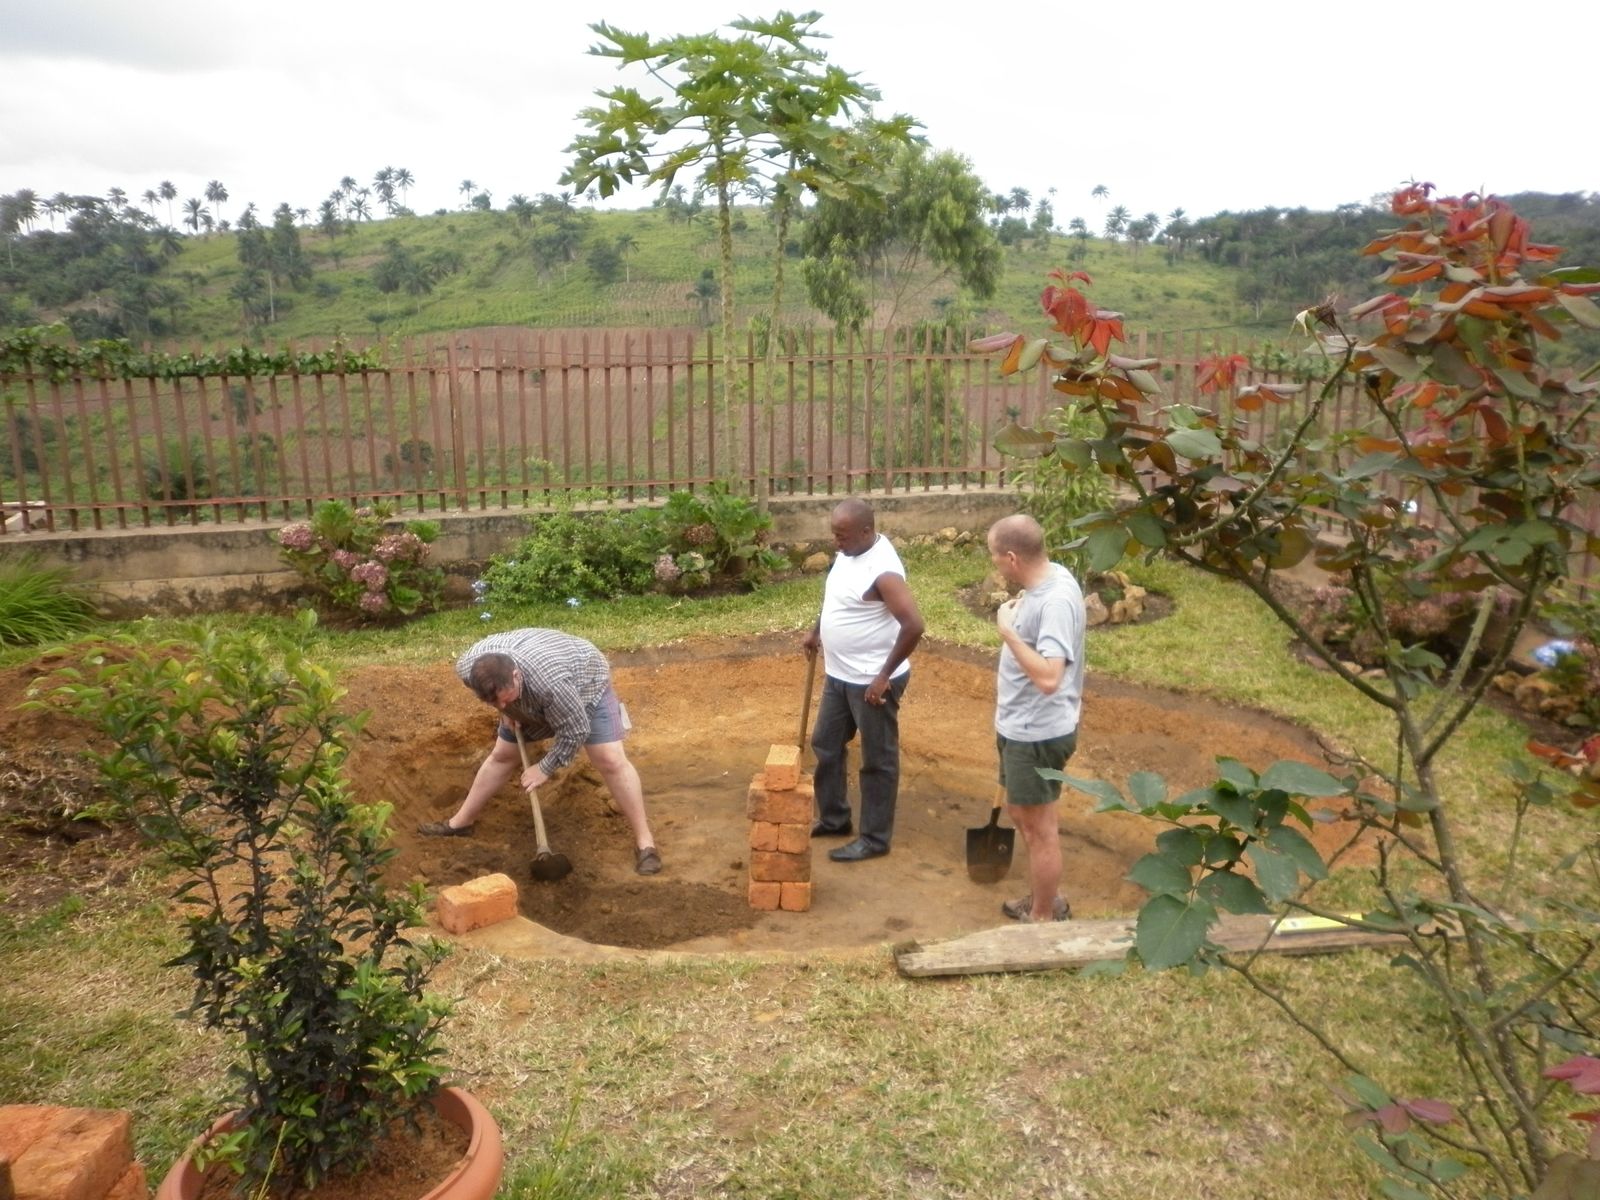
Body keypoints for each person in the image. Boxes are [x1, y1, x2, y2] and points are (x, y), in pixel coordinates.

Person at [418, 628, 662, 875]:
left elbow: (576, 730)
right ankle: (461, 823)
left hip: (585, 682)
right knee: (503, 755)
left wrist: (544, 768)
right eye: (493, 701)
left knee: (609, 758)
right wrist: (506, 710)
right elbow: (499, 697)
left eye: (505, 698)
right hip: (534, 686)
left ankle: (645, 843)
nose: (501, 704)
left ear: (516, 675)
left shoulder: (551, 684)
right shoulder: (468, 668)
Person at [802, 498, 925, 862]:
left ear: (866, 531)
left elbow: (915, 626)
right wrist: (816, 631)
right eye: (834, 535)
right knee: (825, 744)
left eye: (841, 536)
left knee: (877, 760)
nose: (836, 542)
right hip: (839, 674)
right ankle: (835, 817)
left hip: (872, 683)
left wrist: (883, 677)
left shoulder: (883, 571)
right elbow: (837, 595)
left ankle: (874, 838)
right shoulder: (851, 551)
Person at [987, 513, 1086, 922]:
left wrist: (1008, 632)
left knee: (1039, 829)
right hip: (1020, 725)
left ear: (1011, 558)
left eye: (994, 557)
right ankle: (1045, 897)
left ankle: (1043, 915)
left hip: (1037, 731)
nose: (993, 564)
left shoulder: (1056, 601)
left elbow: (1049, 677)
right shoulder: (1049, 579)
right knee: (1023, 815)